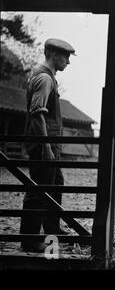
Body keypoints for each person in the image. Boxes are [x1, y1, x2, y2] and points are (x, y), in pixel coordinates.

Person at [20, 38, 75, 252]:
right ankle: (30, 240)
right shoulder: (44, 78)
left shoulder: (48, 77)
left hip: (49, 144)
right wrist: (46, 147)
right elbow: (37, 114)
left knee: (55, 183)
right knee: (39, 190)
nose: (68, 62)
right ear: (53, 54)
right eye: (66, 56)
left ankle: (52, 228)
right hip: (45, 144)